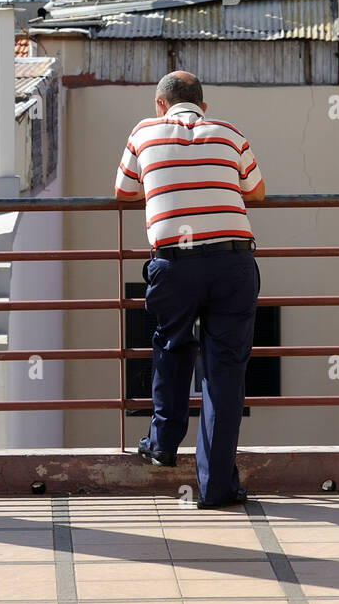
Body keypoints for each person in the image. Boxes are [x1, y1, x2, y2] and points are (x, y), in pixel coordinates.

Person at [114, 70, 265, 508]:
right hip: (232, 263)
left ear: (160, 104)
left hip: (174, 265)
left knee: (171, 345)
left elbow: (123, 193)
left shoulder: (143, 132)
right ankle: (216, 487)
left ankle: (162, 443)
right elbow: (256, 192)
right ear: (203, 105)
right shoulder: (229, 132)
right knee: (225, 373)